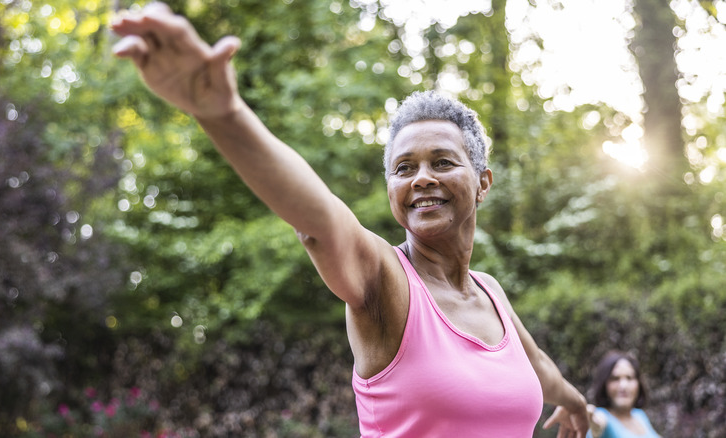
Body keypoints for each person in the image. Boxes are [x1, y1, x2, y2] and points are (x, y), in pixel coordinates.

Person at [111, 3, 591, 436]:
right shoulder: (385, 280)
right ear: (391, 191)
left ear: (483, 182)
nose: (421, 178)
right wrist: (223, 113)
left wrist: (573, 401)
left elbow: (538, 368)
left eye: (442, 162)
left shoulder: (489, 293)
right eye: (404, 169)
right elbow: (318, 219)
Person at [586, 351, 661, 438]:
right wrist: (595, 428)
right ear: (604, 384)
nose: (623, 386)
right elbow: (598, 423)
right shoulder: (603, 416)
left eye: (629, 378)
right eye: (615, 378)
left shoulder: (639, 415)